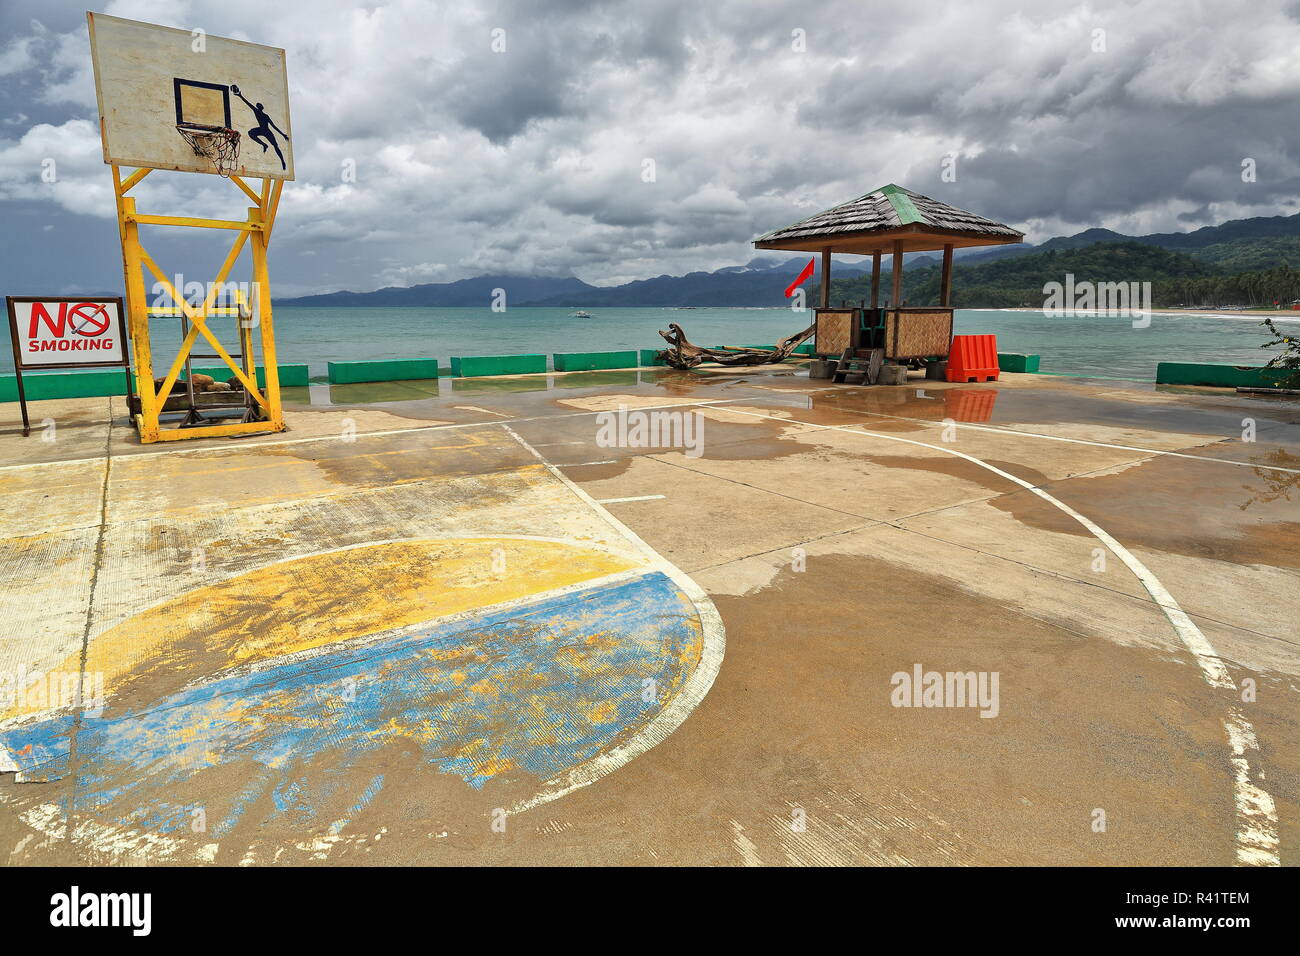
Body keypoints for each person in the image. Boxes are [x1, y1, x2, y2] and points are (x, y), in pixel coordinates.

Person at [231, 84, 288, 170]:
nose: (259, 106)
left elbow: (274, 127)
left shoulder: (266, 116)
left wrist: (283, 135)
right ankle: (264, 144)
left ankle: (283, 161)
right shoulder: (257, 112)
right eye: (258, 105)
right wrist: (240, 96)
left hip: (267, 131)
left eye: (259, 105)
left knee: (276, 146)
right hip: (262, 129)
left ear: (261, 107)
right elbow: (249, 104)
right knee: (250, 133)